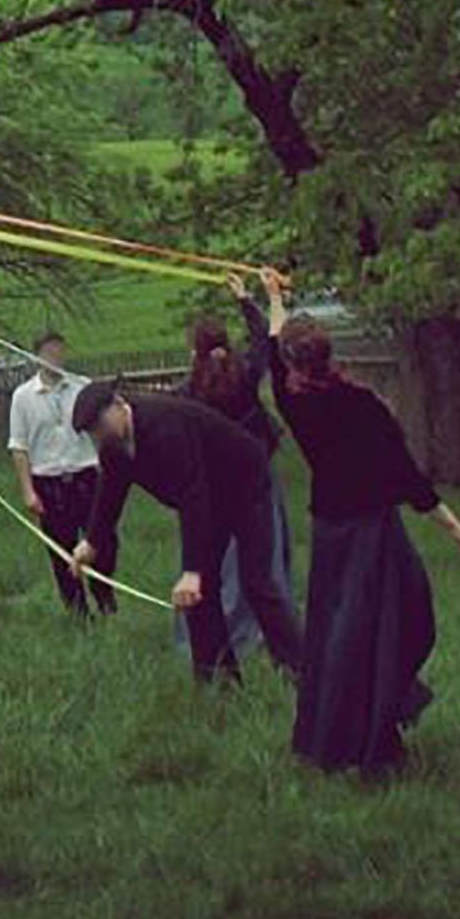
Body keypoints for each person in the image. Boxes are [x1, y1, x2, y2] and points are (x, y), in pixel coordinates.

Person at [261, 269, 460, 775]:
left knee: (343, 634)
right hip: (370, 534)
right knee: (386, 630)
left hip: (335, 535)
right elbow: (407, 475)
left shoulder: (294, 403)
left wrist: (272, 299)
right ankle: (368, 737)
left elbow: (272, 352)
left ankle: (355, 729)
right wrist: (457, 529)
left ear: (296, 364)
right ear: (329, 354)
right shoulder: (364, 406)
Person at [70, 381, 305, 684]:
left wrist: (193, 570)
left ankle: (299, 670)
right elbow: (110, 494)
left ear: (117, 406)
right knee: (196, 598)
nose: (99, 435)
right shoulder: (113, 447)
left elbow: (193, 498)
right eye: (92, 432)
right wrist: (91, 543)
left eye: (100, 425)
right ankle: (218, 680)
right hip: (211, 500)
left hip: (246, 489)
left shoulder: (164, 427)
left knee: (256, 583)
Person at [171, 274, 294, 658]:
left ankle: (215, 644)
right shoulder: (245, 374)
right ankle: (276, 638)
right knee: (264, 563)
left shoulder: (187, 394)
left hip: (214, 490)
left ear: (195, 352)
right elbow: (266, 338)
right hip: (257, 484)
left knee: (213, 563)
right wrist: (246, 298)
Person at [9, 332, 117, 617]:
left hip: (85, 475)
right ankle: (77, 610)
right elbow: (19, 447)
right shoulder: (23, 397)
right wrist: (28, 490)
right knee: (61, 549)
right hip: (49, 481)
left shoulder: (82, 387)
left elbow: (103, 434)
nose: (55, 357)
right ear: (37, 356)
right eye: (48, 352)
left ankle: (105, 597)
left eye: (59, 351)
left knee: (102, 541)